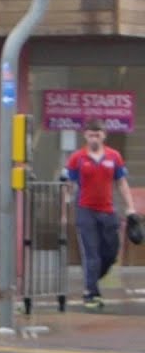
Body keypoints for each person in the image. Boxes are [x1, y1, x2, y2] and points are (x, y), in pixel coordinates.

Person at [65, 118, 137, 310]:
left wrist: (130, 208)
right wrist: (64, 209)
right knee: (92, 254)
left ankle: (92, 279)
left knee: (111, 253)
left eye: (97, 134)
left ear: (104, 135)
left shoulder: (114, 157)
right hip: (85, 210)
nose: (94, 138)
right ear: (85, 136)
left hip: (108, 211)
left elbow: (121, 183)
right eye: (90, 135)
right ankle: (91, 292)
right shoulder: (77, 158)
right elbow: (70, 186)